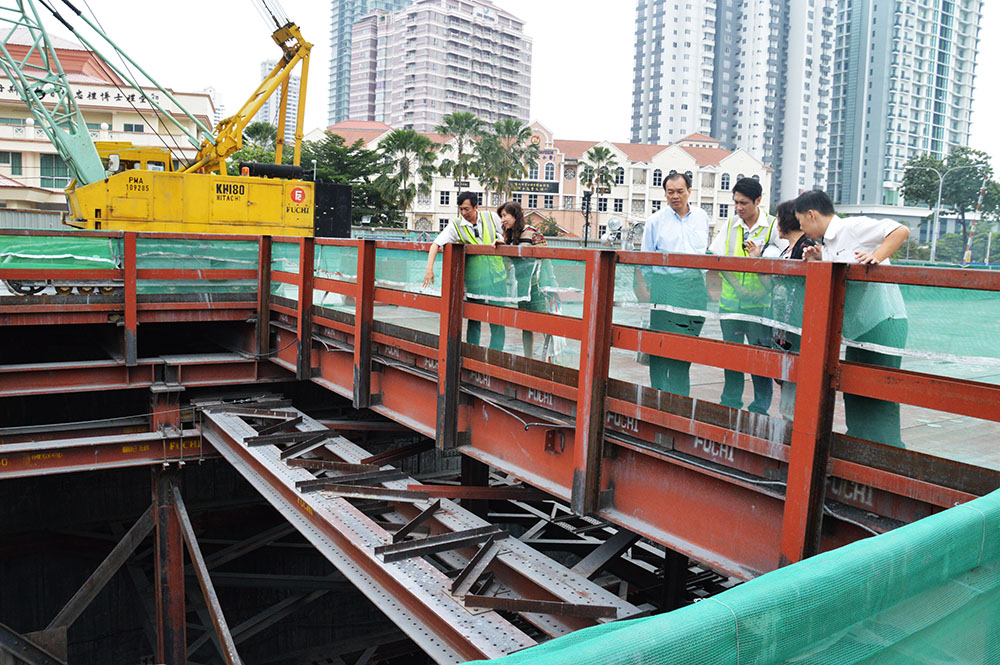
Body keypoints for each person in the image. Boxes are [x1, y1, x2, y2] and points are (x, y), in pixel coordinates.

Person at [794, 189, 910, 447]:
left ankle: (888, 452)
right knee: (854, 389)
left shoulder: (853, 227)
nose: (801, 227)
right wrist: (820, 259)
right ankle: (860, 446)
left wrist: (876, 257)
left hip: (883, 322)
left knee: (880, 392)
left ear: (812, 215)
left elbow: (899, 230)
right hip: (860, 329)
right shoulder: (829, 243)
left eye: (801, 220)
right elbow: (843, 269)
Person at [709, 177, 788, 414]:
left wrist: (761, 290)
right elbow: (718, 259)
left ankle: (760, 408)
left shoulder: (774, 227)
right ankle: (730, 402)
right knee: (731, 357)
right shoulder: (731, 223)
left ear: (758, 201)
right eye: (736, 202)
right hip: (731, 303)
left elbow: (784, 265)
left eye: (744, 203)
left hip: (761, 306)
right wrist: (740, 288)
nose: (739, 207)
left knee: (760, 359)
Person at [635, 171, 710, 397]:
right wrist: (654, 288)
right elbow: (645, 258)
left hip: (694, 287)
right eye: (670, 192)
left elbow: (703, 252)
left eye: (680, 191)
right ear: (665, 194)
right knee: (660, 345)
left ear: (689, 191)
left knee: (686, 344)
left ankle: (680, 398)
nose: (675, 196)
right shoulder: (655, 221)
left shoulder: (701, 217)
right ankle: (657, 394)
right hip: (666, 287)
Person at [423, 192, 506, 351]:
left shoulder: (491, 217)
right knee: (474, 321)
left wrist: (501, 240)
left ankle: (496, 355)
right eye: (461, 209)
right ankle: (472, 354)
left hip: (498, 278)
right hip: (477, 282)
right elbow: (436, 244)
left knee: (497, 320)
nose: (463, 213)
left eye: (467, 209)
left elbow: (506, 235)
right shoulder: (456, 225)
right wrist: (429, 270)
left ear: (476, 207)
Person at [764, 200, 817, 421]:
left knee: (796, 379)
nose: (776, 224)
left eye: (778, 218)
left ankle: (794, 429)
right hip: (785, 325)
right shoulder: (789, 248)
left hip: (797, 326)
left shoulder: (807, 247)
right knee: (787, 379)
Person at [498, 200, 551, 359]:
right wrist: (502, 244)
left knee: (545, 325)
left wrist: (549, 286)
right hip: (522, 287)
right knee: (525, 325)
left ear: (515, 215)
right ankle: (529, 360)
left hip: (536, 287)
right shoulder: (508, 236)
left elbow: (547, 259)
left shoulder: (532, 232)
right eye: (501, 216)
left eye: (505, 215)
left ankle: (551, 360)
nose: (502, 219)